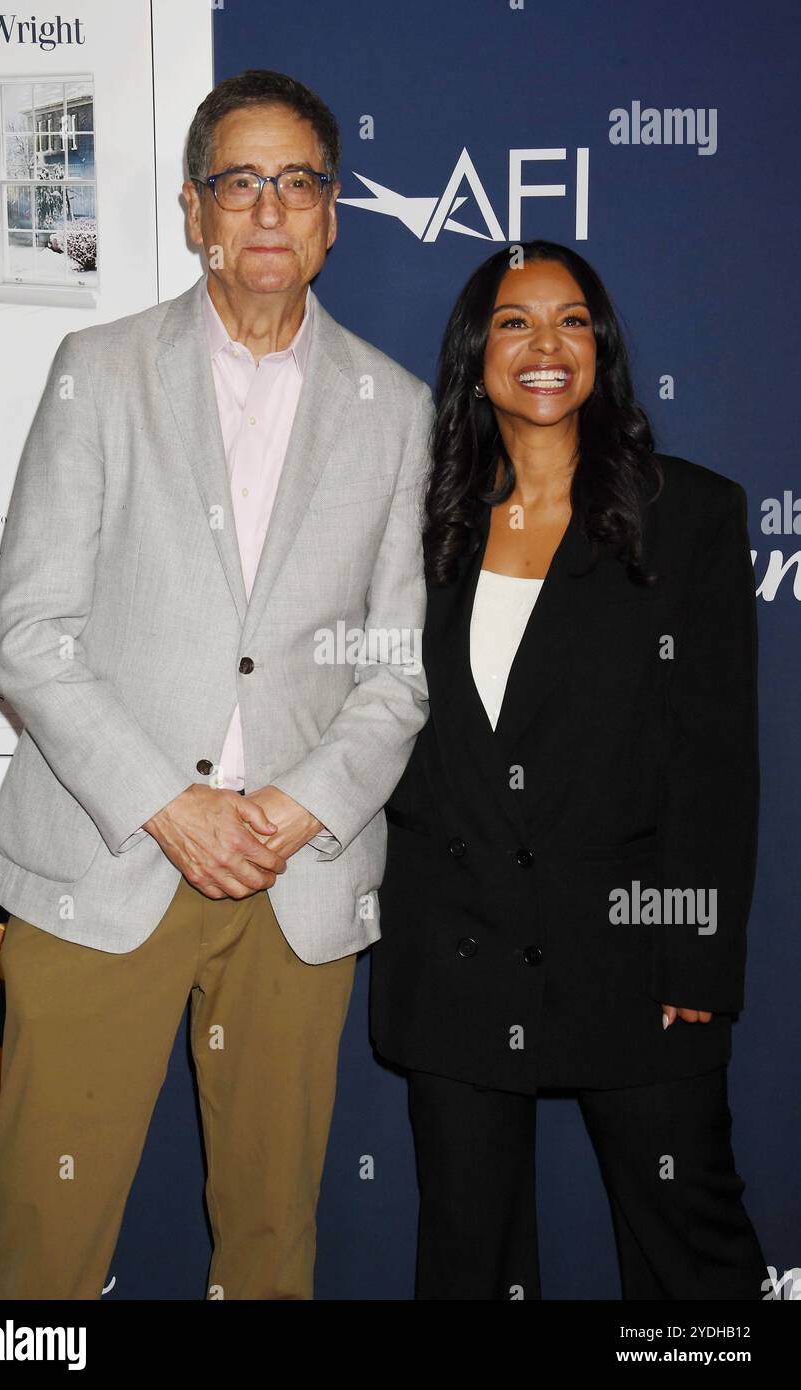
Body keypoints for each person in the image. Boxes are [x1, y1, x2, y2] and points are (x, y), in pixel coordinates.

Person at [0, 69, 432, 1300]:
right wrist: (171, 805)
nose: (269, 210)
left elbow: (395, 669)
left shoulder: (396, 412)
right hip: (104, 859)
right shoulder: (99, 371)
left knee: (273, 1244)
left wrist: (292, 809)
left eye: (298, 184)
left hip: (297, 877)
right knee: (42, 1245)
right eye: (241, 182)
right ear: (194, 211)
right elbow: (26, 631)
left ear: (332, 214)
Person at [369, 239, 769, 1300]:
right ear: (475, 351)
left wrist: (693, 954)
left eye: (569, 321)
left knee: (690, 1253)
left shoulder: (685, 514)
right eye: (512, 321)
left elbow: (714, 760)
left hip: (634, 956)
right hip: (455, 951)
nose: (543, 345)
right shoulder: (416, 522)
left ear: (601, 348)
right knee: (468, 1256)